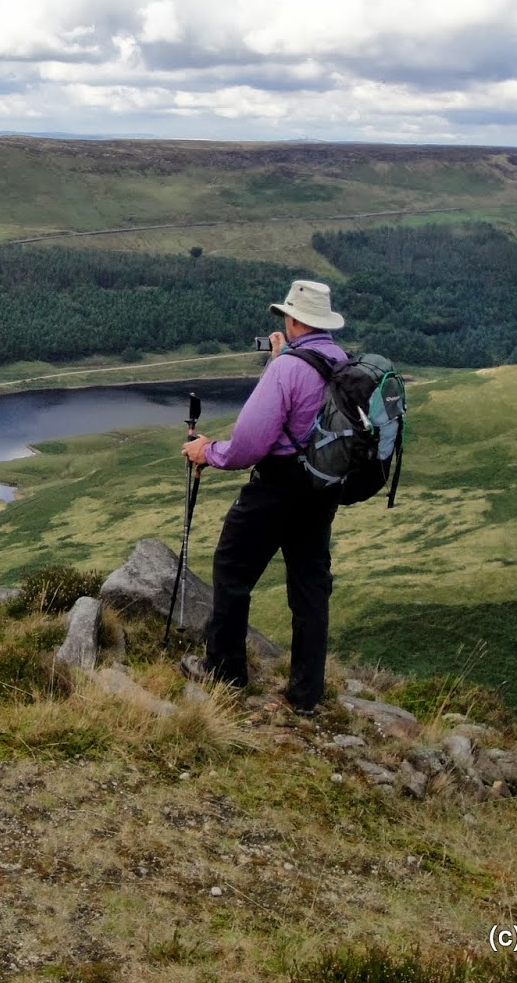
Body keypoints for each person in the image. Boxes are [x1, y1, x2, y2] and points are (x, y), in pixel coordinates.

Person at [180, 279, 348, 711]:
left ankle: (225, 671)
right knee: (310, 586)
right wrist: (280, 359)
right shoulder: (340, 361)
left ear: (293, 320)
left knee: (232, 568)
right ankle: (306, 694)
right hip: (321, 488)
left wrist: (206, 452)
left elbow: (250, 445)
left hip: (277, 485)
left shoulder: (287, 369)